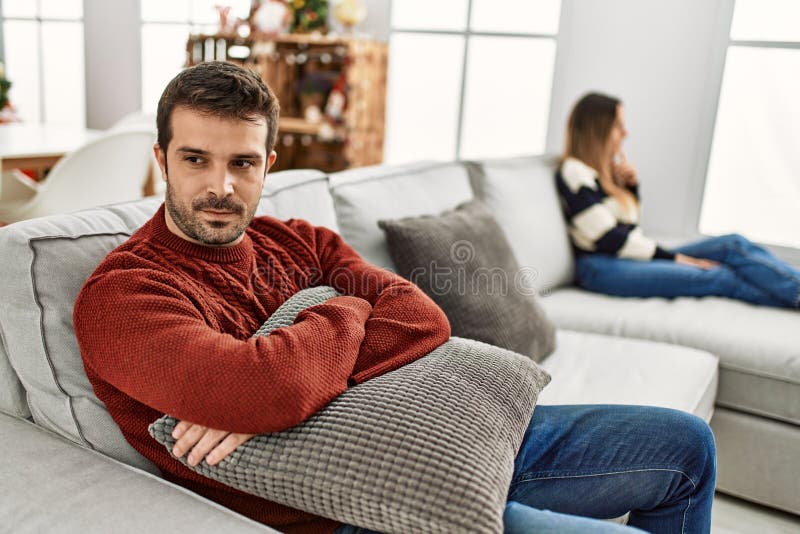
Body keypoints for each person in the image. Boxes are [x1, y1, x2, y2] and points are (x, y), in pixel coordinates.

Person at [74, 63, 715, 534]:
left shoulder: (298, 240)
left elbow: (423, 317)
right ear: (161, 159)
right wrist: (338, 315)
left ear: (268, 163)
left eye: (242, 163)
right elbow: (265, 390)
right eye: (195, 159)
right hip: (353, 497)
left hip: (452, 427)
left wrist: (300, 359)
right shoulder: (126, 293)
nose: (220, 185)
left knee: (688, 445)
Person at [556, 92, 800, 309]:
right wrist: (674, 258)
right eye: (618, 126)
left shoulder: (603, 173)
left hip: (623, 257)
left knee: (731, 245)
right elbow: (608, 237)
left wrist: (630, 188)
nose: (625, 133)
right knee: (720, 276)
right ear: (597, 130)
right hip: (600, 268)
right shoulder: (575, 171)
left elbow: (629, 227)